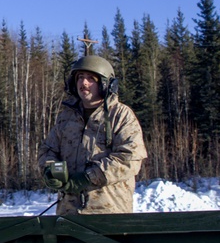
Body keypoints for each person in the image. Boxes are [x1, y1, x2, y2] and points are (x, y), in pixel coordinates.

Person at [38, 55, 146, 215]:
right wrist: (50, 171)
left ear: (105, 84)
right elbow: (47, 151)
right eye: (80, 78)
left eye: (91, 78)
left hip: (109, 214)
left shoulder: (121, 116)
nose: (84, 83)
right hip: (69, 215)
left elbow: (129, 157)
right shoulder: (66, 118)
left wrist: (89, 177)